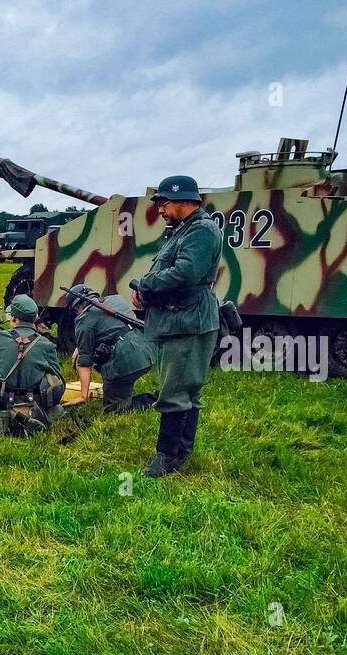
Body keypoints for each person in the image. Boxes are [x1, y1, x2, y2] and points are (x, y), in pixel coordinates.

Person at [131, 175, 223, 476]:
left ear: (185, 201)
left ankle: (166, 456)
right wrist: (146, 293)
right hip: (180, 319)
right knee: (185, 389)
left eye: (164, 202)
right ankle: (181, 453)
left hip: (188, 321)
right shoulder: (183, 231)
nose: (159, 208)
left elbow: (185, 273)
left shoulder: (201, 231)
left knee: (175, 391)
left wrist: (144, 283)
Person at [60, 284, 157, 413]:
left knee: (113, 410)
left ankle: (155, 401)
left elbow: (84, 363)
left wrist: (83, 395)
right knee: (121, 386)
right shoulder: (117, 299)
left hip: (128, 360)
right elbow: (109, 325)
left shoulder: (83, 320)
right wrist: (81, 345)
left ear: (76, 307)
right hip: (148, 351)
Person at [0, 293, 65, 435]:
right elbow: (58, 379)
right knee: (52, 375)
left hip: (4, 399)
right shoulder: (47, 345)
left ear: (13, 318)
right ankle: (39, 414)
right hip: (35, 400)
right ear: (35, 320)